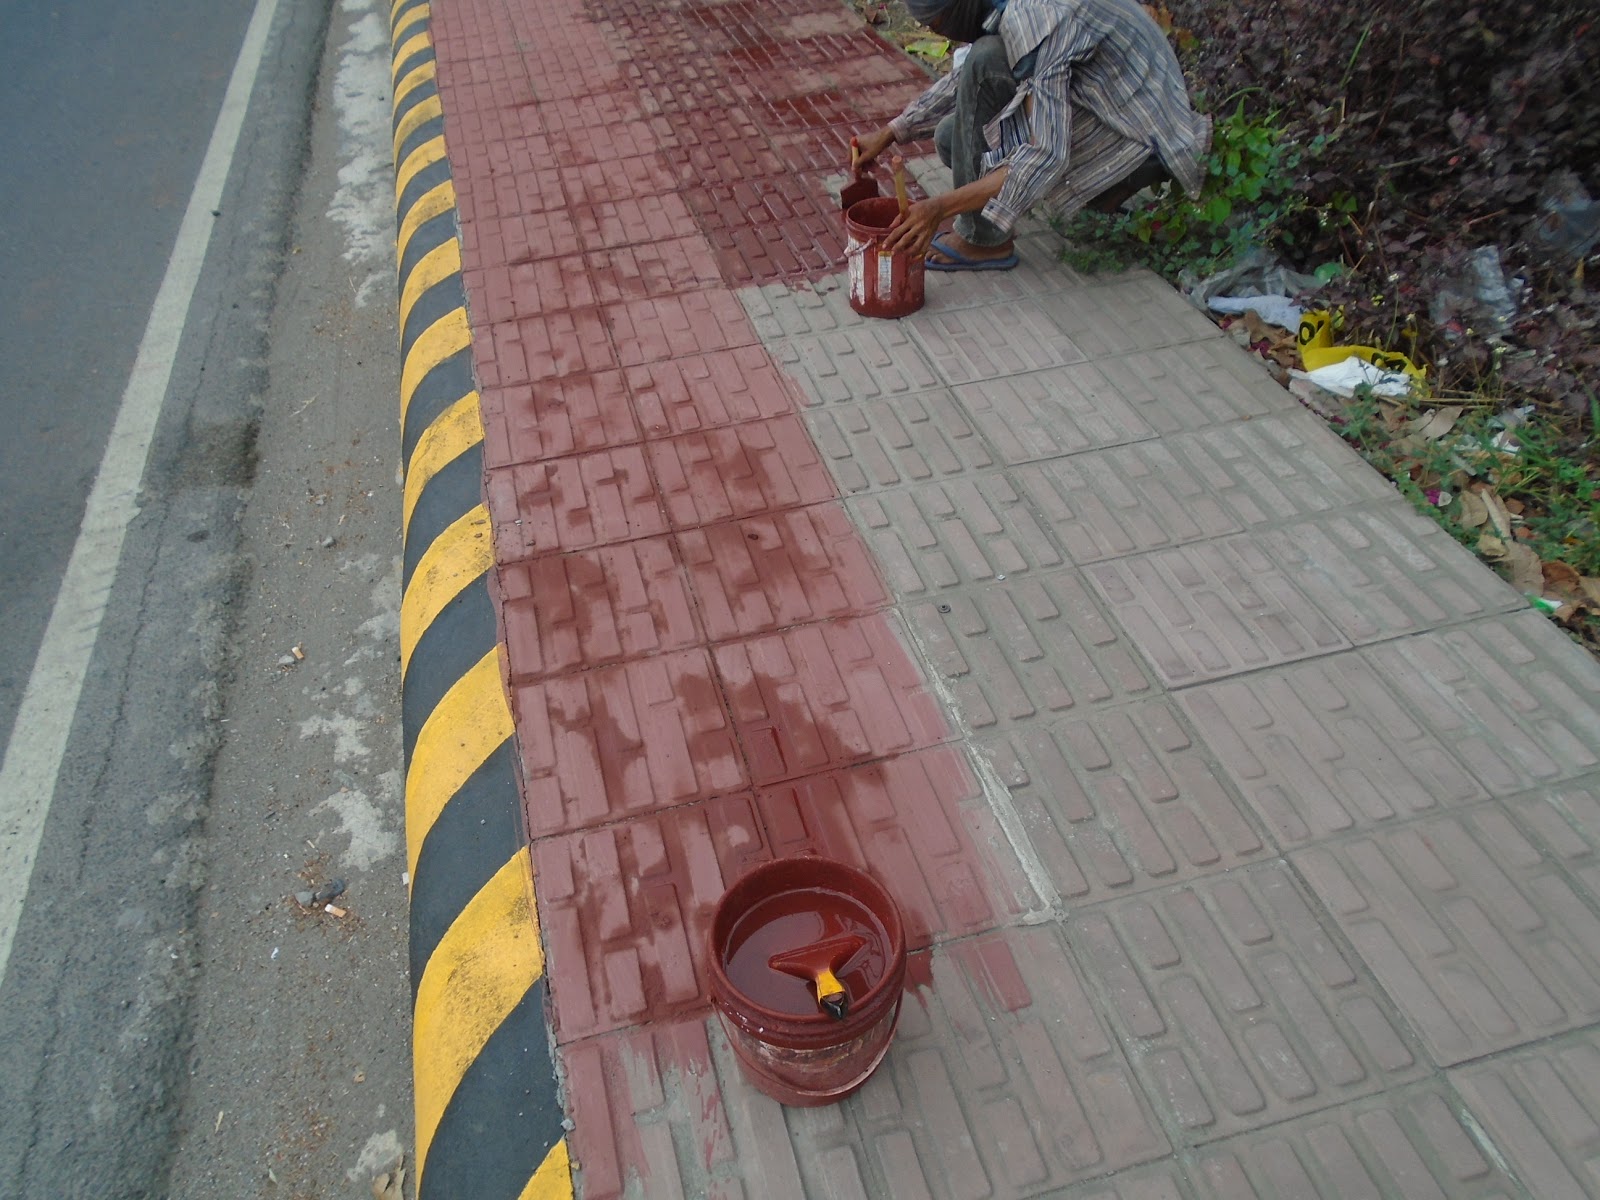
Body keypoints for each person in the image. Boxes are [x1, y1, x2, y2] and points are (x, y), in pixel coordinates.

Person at [853, 0, 1210, 271]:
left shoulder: (1036, 19)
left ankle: (982, 239)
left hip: (1146, 135)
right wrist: (891, 132)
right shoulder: (1003, 6)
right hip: (1116, 103)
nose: (935, 35)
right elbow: (969, 84)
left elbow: (1047, 155)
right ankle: (1101, 196)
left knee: (985, 58)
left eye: (936, 24)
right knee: (951, 136)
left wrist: (941, 207)